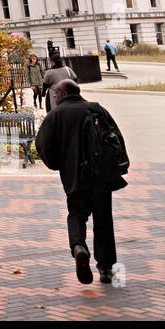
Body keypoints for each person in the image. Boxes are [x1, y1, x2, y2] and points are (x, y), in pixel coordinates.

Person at [35, 79, 129, 285]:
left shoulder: (56, 116)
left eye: (57, 94)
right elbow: (116, 138)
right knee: (103, 219)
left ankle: (78, 246)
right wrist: (118, 166)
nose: (55, 97)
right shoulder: (96, 109)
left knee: (76, 214)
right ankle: (106, 269)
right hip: (101, 176)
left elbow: (42, 145)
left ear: (65, 93)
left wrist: (59, 164)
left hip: (74, 177)